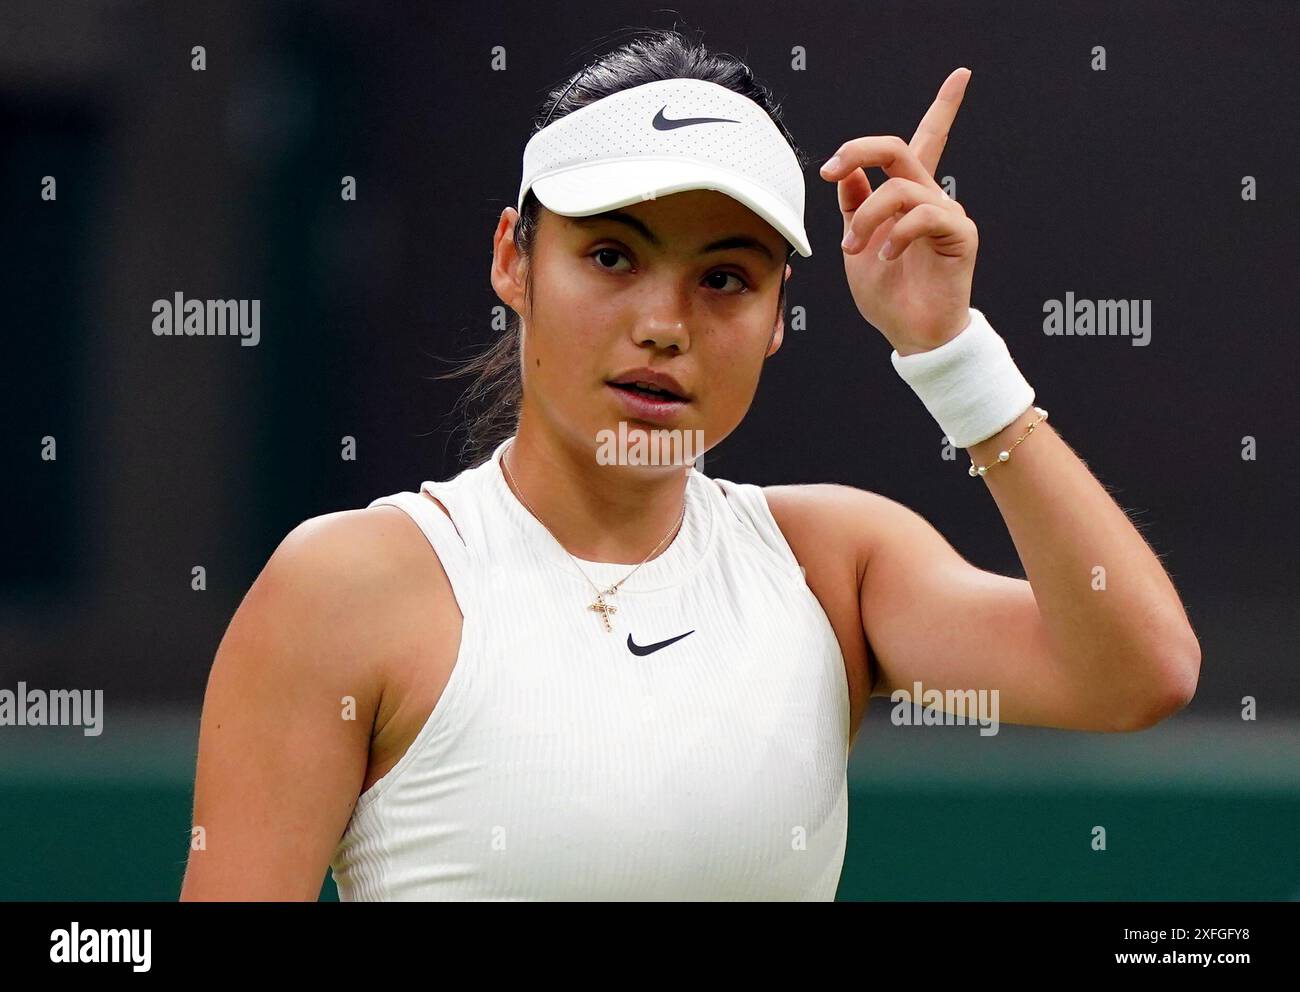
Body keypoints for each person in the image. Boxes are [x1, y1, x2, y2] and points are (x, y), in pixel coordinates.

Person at [180, 28, 1200, 902]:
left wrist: (953, 354)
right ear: (512, 259)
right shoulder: (343, 588)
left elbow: (1135, 673)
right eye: (613, 256)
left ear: (774, 322)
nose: (664, 325)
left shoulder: (834, 563)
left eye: (724, 277)